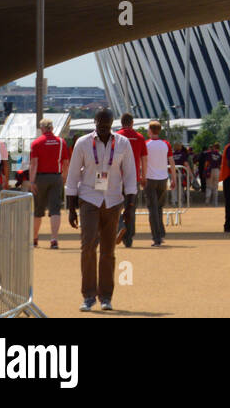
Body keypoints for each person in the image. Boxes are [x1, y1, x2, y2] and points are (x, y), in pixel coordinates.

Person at [65, 108, 137, 312]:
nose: (103, 128)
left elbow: (130, 175)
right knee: (88, 246)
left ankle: (106, 296)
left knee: (108, 250)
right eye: (100, 124)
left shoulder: (123, 143)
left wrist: (130, 207)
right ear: (94, 122)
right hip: (89, 198)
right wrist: (71, 208)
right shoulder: (83, 143)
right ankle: (88, 296)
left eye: (107, 125)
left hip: (113, 201)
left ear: (112, 123)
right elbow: (72, 176)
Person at [30, 118, 69, 249]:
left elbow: (34, 164)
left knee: (38, 210)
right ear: (52, 128)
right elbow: (65, 162)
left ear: (42, 128)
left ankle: (34, 238)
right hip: (56, 177)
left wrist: (32, 181)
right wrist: (64, 177)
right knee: (55, 209)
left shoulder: (36, 143)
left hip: (40, 178)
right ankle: (54, 239)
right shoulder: (61, 142)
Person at [115, 114, 148, 248]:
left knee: (115, 206)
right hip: (133, 178)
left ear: (121, 122)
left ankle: (120, 225)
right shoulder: (139, 137)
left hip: (117, 178)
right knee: (131, 207)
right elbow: (144, 159)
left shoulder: (116, 136)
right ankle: (129, 238)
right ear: (132, 123)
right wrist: (143, 176)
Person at [142, 121, 174, 247]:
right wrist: (173, 178)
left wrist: (142, 176)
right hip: (163, 178)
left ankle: (156, 238)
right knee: (159, 207)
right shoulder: (166, 144)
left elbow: (144, 161)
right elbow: (171, 161)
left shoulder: (146, 144)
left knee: (152, 208)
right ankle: (160, 233)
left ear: (150, 130)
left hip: (150, 178)